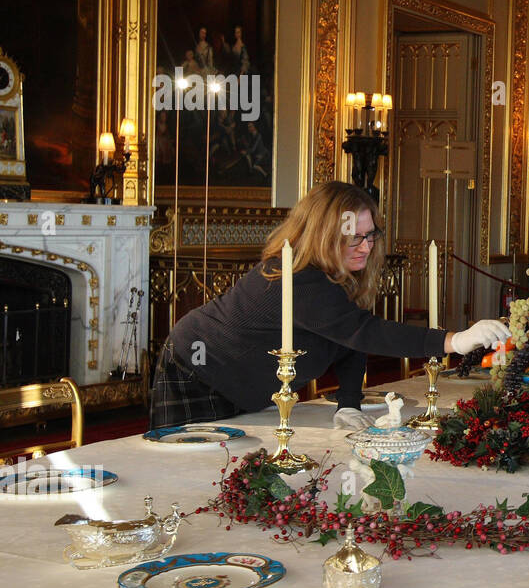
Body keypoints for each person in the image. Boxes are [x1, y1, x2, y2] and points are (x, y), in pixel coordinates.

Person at [150, 181, 509, 429]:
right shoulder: (297, 276)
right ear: (324, 234)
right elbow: (364, 333)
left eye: (371, 236)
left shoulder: (335, 274)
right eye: (355, 238)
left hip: (241, 378)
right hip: (196, 366)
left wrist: (349, 402)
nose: (366, 247)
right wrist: (453, 340)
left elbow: (349, 342)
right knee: (192, 463)